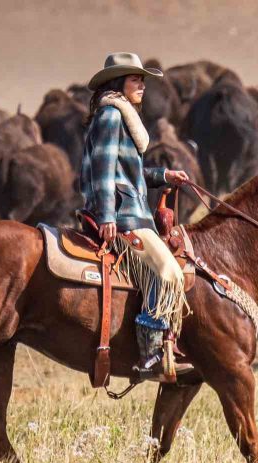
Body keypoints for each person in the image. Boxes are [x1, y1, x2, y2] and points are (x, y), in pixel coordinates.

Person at [81, 52, 192, 381]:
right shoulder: (111, 115)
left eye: (142, 79)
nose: (142, 85)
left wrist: (163, 176)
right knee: (168, 273)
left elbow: (128, 173)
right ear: (118, 83)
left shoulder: (122, 116)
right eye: (135, 79)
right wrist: (106, 215)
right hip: (123, 216)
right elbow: (103, 170)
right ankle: (151, 355)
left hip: (132, 211)